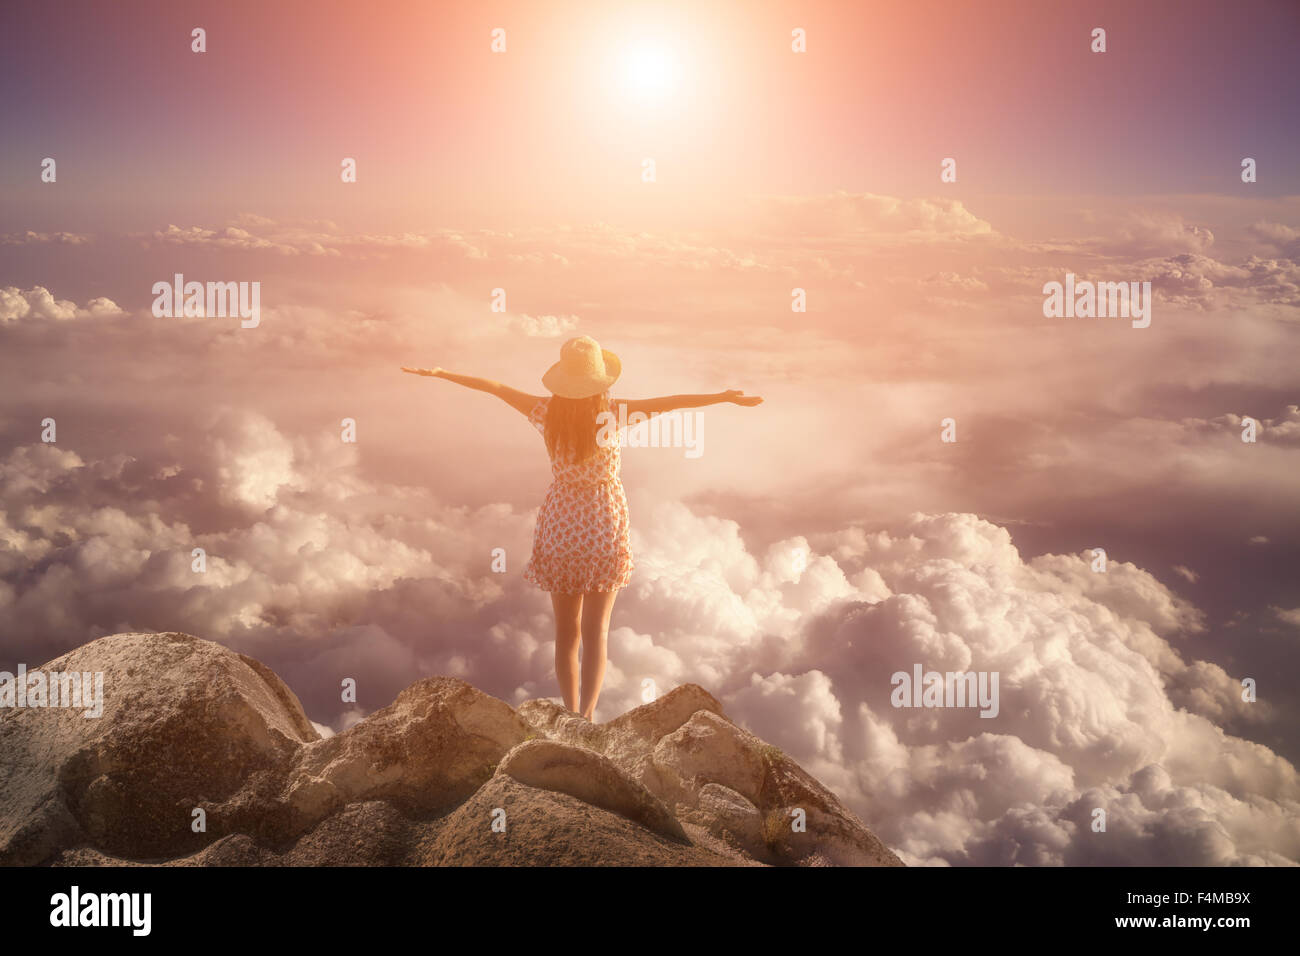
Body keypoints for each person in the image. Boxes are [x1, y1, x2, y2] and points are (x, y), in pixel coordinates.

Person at [402, 335, 762, 719]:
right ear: (599, 380)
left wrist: (440, 373)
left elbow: (494, 388)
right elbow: (672, 403)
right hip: (603, 521)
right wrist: (723, 397)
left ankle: (570, 710)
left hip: (562, 522)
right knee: (597, 630)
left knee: (566, 632)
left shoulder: (545, 412)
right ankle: (588, 713)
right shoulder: (614, 414)